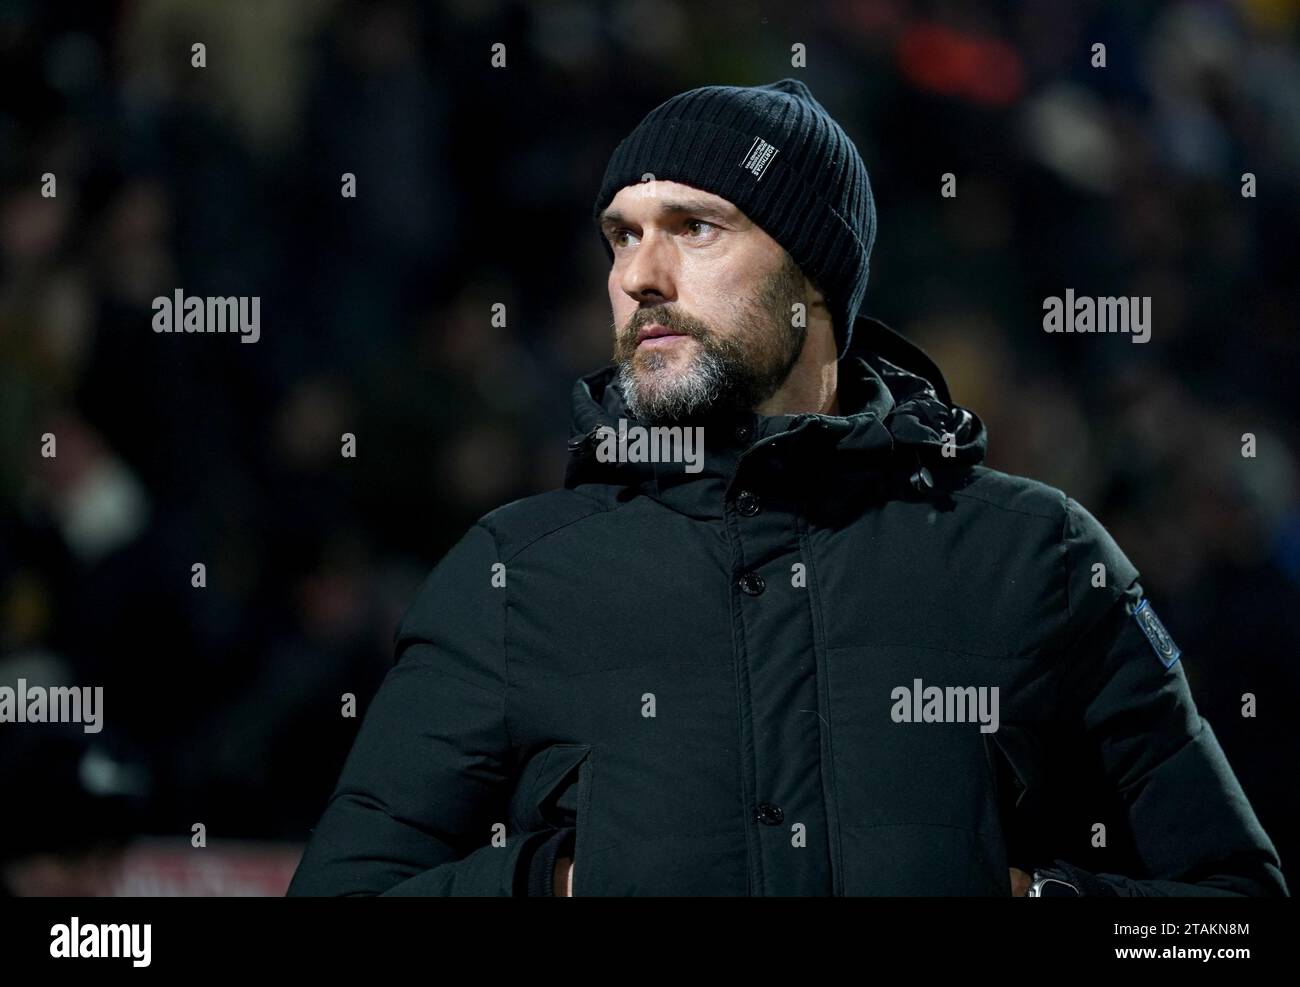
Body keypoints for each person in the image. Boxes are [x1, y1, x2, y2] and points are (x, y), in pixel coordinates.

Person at [287, 79, 1287, 896]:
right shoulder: (513, 573)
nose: (641, 275)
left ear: (811, 280)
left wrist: (1032, 902)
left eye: (696, 228)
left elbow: (1232, 918)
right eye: (622, 236)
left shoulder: (1040, 556)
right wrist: (556, 886)